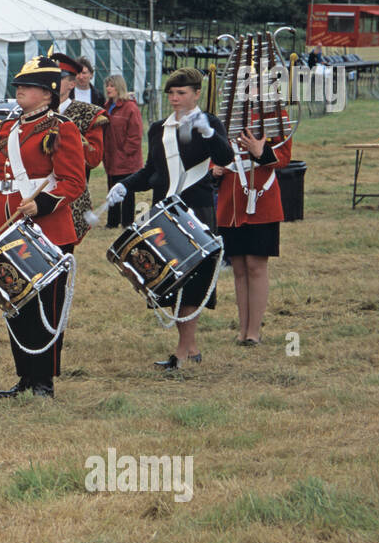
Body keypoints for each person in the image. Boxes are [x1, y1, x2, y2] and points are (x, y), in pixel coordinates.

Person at [106, 67, 234, 371]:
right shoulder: (158, 129)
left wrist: (209, 133)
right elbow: (153, 172)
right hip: (165, 211)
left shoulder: (210, 123)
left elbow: (226, 157)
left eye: (182, 93)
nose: (175, 99)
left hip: (195, 212)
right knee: (169, 282)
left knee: (192, 281)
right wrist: (125, 185)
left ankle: (185, 350)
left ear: (197, 94)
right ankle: (188, 348)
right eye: (172, 94)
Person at [0, 54, 87, 400]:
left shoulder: (61, 129)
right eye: (20, 85)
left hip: (48, 230)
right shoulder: (8, 128)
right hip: (8, 227)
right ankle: (24, 375)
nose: (20, 91)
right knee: (15, 304)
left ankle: (44, 381)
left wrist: (42, 204)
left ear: (48, 94)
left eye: (29, 86)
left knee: (45, 307)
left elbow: (73, 181)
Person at [212, 113, 292, 346]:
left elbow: (284, 157)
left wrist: (261, 151)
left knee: (256, 265)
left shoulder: (276, 115)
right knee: (238, 266)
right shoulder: (227, 115)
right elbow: (215, 150)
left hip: (261, 198)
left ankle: (253, 332)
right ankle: (242, 328)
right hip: (231, 202)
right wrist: (214, 168)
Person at [49, 52, 102, 243]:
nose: (52, 82)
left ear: (71, 84)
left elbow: (94, 159)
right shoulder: (36, 110)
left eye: (58, 78)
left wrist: (69, 132)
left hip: (69, 197)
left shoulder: (88, 113)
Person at [101, 74, 143, 229]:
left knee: (127, 191)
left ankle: (127, 222)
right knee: (111, 189)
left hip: (126, 159)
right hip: (111, 156)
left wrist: (125, 152)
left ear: (119, 87)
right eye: (107, 85)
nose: (108, 88)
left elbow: (135, 134)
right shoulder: (107, 107)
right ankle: (112, 222)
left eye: (112, 85)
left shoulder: (130, 107)